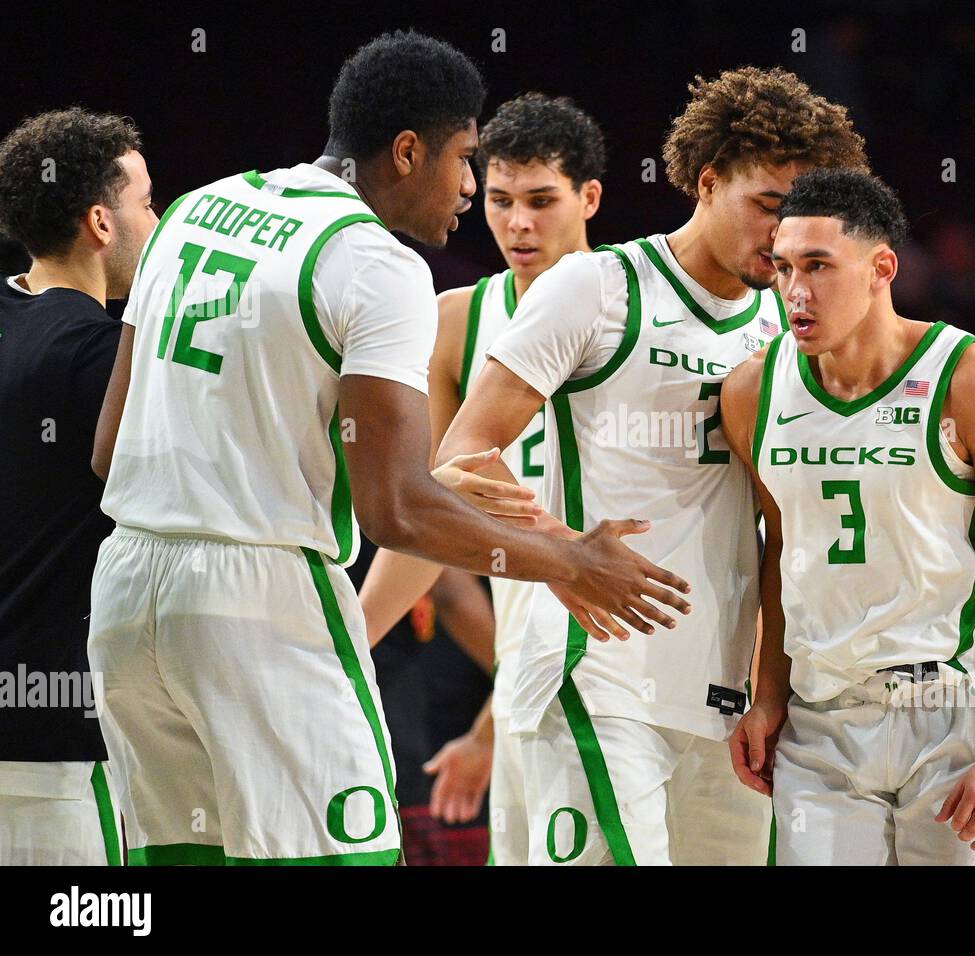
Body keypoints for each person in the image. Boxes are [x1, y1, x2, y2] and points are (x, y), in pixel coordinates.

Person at [87, 31, 687, 866]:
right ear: (408, 152)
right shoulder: (377, 264)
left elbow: (109, 448)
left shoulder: (193, 210)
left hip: (123, 596)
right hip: (259, 594)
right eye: (465, 160)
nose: (470, 189)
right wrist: (568, 561)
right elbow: (397, 508)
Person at [437, 67, 867, 865]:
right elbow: (460, 456)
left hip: (723, 698)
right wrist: (560, 556)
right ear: (708, 182)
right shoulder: (596, 286)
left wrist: (772, 688)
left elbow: (782, 528)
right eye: (766, 207)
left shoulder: (786, 323)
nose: (779, 239)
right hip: (595, 680)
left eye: (797, 219)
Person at [724, 167, 975, 865]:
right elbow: (783, 552)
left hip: (954, 718)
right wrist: (768, 694)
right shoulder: (754, 389)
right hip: (823, 727)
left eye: (818, 266)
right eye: (784, 267)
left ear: (882, 268)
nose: (796, 291)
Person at [360, 93, 607, 864]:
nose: (517, 224)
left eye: (541, 201)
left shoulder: (632, 308)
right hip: (529, 665)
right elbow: (426, 516)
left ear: (590, 198)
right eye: (499, 201)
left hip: (634, 655)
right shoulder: (458, 321)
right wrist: (349, 646)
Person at [0, 108, 156, 865]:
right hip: (54, 731)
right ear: (102, 221)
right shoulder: (99, 358)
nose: (155, 223)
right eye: (147, 204)